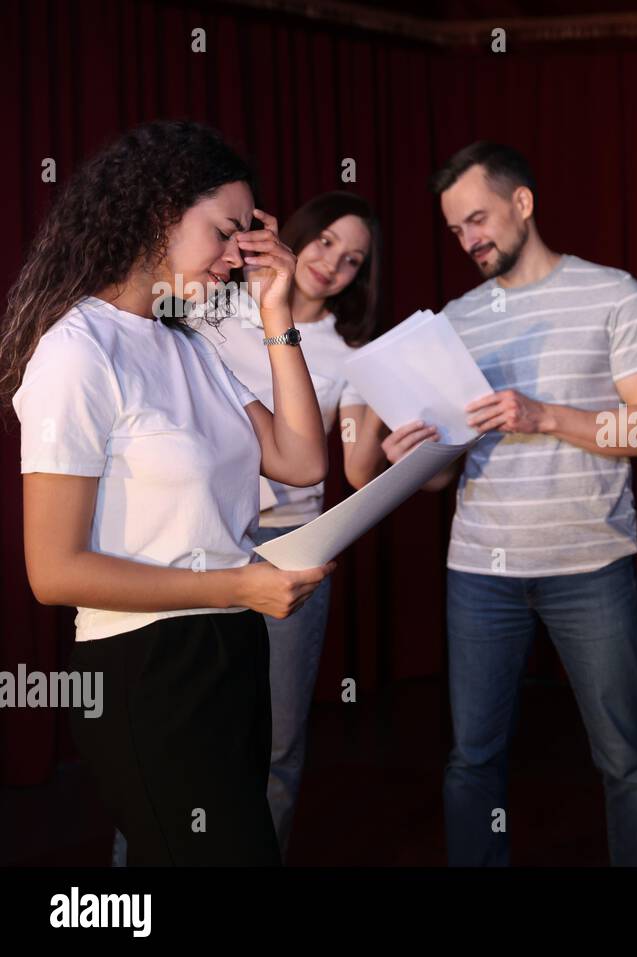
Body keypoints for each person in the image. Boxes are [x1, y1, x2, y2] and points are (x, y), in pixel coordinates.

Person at [2, 119, 334, 866]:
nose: (232, 258)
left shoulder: (190, 339)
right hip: (147, 665)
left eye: (245, 240)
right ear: (158, 213)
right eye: (223, 233)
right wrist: (238, 586)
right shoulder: (76, 352)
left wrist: (276, 313)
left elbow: (302, 458)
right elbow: (52, 571)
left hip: (230, 643)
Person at [354, 141, 637, 866]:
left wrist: (546, 416)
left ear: (522, 202)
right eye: (455, 230)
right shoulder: (457, 320)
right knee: (472, 759)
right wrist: (415, 462)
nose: (468, 240)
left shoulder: (614, 293)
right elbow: (444, 471)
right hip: (479, 571)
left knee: (626, 758)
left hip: (590, 564)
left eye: (477, 219)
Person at [109, 191, 382, 865]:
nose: (332, 265)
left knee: (275, 742)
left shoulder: (350, 349)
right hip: (198, 537)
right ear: (293, 237)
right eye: (324, 243)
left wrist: (390, 437)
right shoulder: (212, 304)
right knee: (171, 747)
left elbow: (348, 462)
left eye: (352, 261)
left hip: (290, 544)